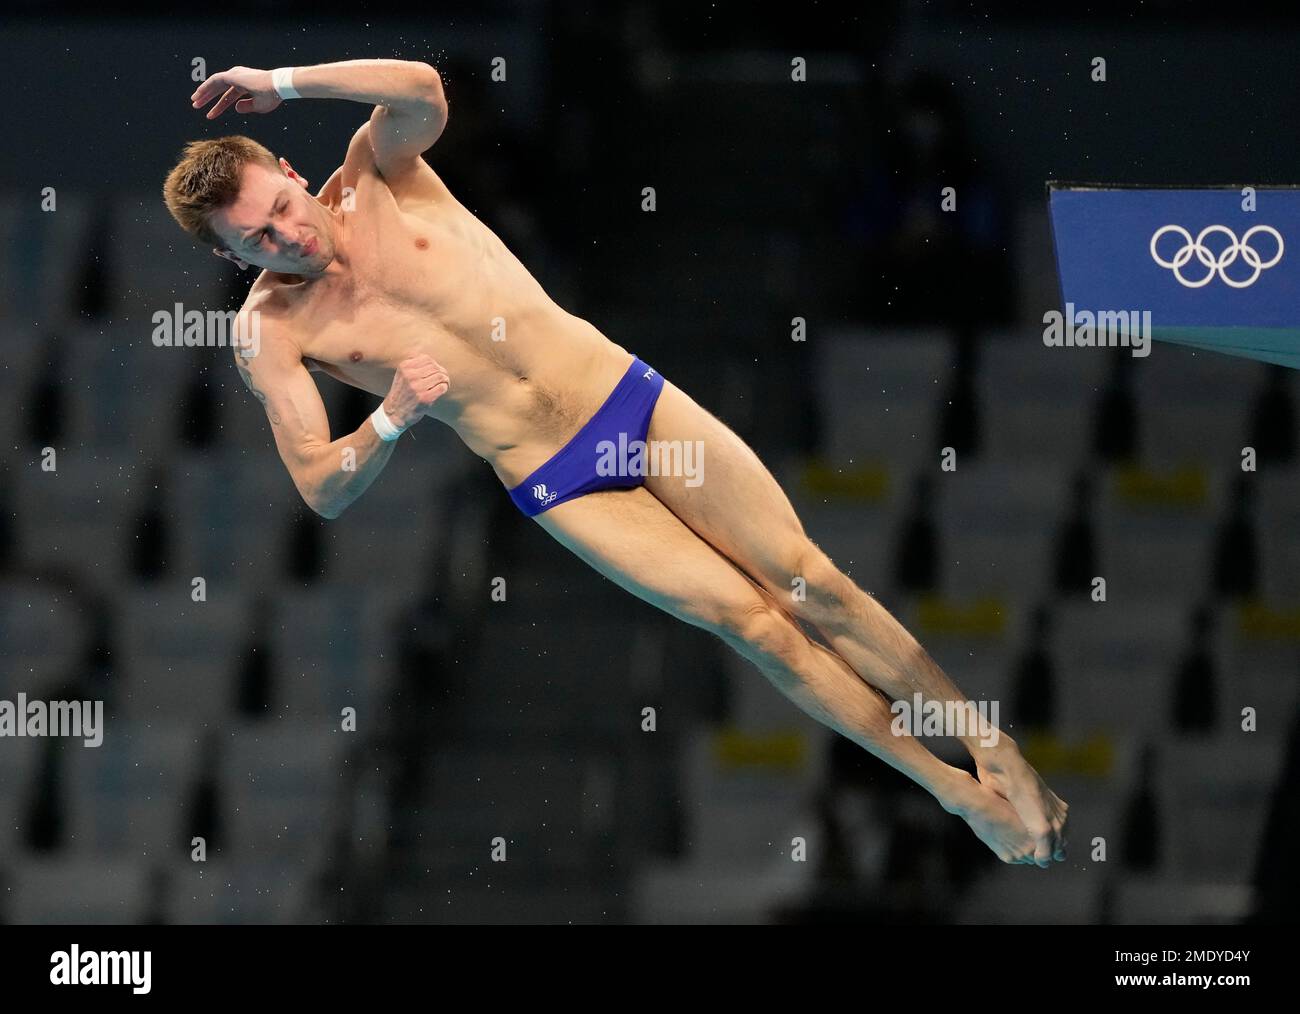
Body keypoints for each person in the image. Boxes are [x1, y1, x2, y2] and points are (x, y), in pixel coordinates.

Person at [165, 58, 1068, 866]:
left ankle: (986, 744)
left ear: (289, 174)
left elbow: (424, 88)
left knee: (807, 581)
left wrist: (283, 83)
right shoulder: (269, 335)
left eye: (281, 207)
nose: (288, 236)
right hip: (556, 479)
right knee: (753, 628)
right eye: (257, 241)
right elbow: (322, 487)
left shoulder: (379, 175)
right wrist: (389, 423)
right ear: (230, 254)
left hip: (629, 399)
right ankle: (951, 790)